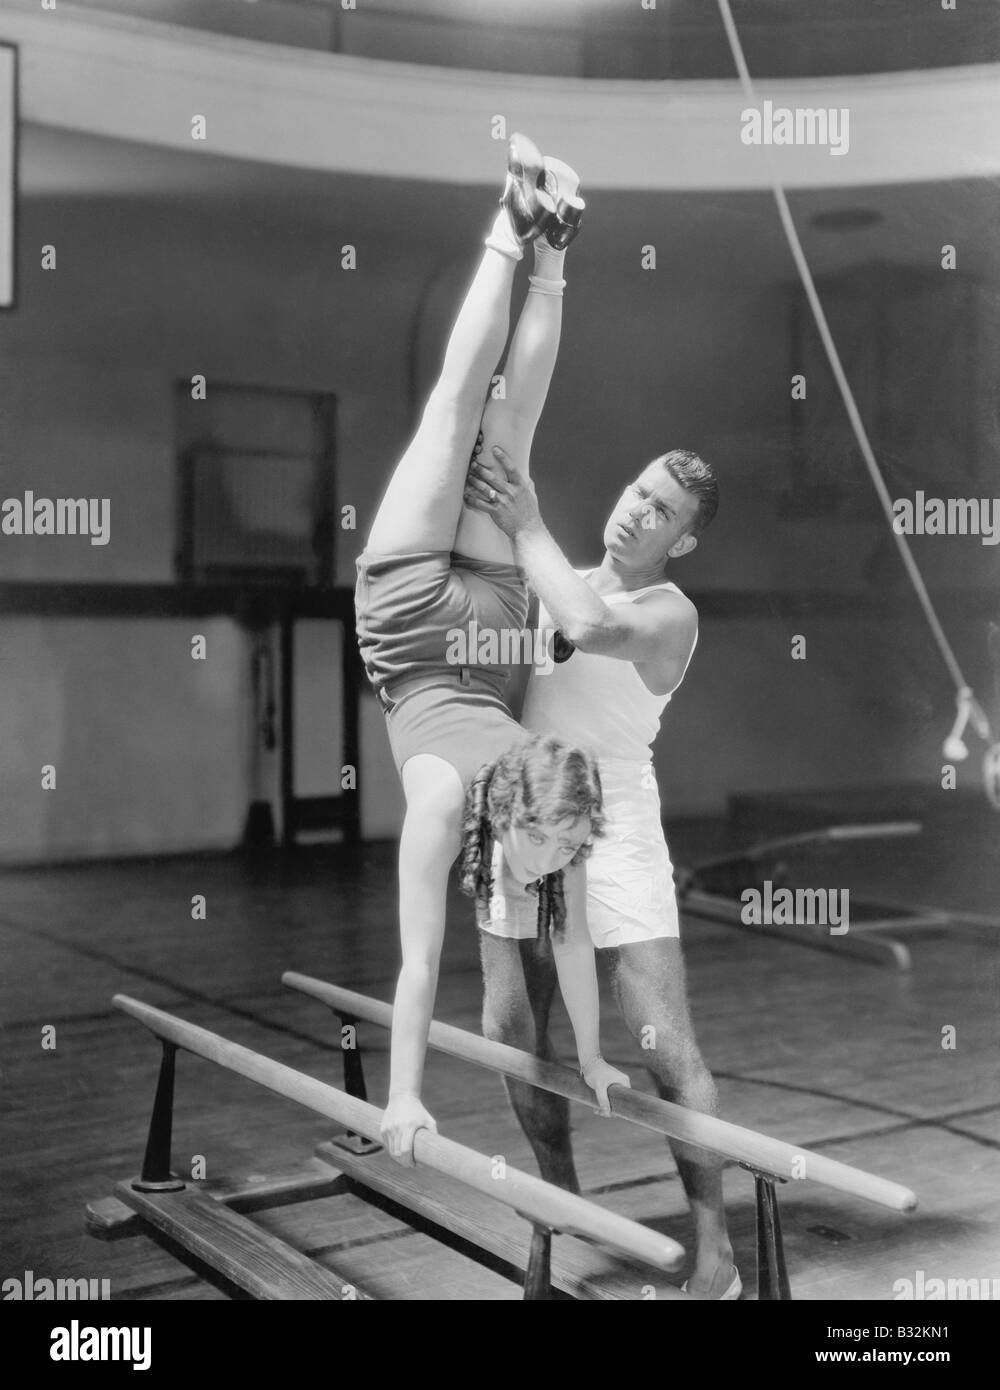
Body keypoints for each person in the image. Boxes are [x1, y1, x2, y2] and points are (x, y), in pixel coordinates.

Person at [355, 134, 627, 1164]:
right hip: (464, 628)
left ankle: (544, 241)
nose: (552, 873)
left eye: (557, 857)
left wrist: (596, 1061)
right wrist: (405, 1096)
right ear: (519, 811)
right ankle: (528, 234)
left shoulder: (547, 819)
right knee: (481, 424)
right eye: (551, 854)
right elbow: (418, 967)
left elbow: (571, 949)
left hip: (440, 631)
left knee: (481, 422)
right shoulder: (458, 806)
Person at [464, 441, 741, 1299]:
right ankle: (566, 1217)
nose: (637, 510)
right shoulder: (561, 577)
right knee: (511, 1029)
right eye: (638, 490)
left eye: (662, 512)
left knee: (657, 1034)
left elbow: (587, 628)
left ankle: (716, 1253)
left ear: (682, 542)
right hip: (526, 805)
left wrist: (526, 520)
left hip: (614, 816)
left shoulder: (670, 612)